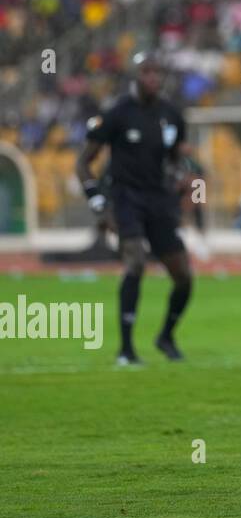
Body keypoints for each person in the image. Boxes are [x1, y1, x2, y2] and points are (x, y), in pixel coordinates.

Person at [75, 52, 194, 364]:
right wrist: (99, 205)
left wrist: (181, 176)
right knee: (136, 261)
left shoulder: (172, 114)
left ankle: (166, 336)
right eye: (146, 72)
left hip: (159, 199)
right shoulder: (116, 113)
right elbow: (83, 162)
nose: (153, 77)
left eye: (157, 72)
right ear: (135, 76)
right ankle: (126, 350)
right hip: (125, 198)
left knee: (183, 275)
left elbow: (175, 158)